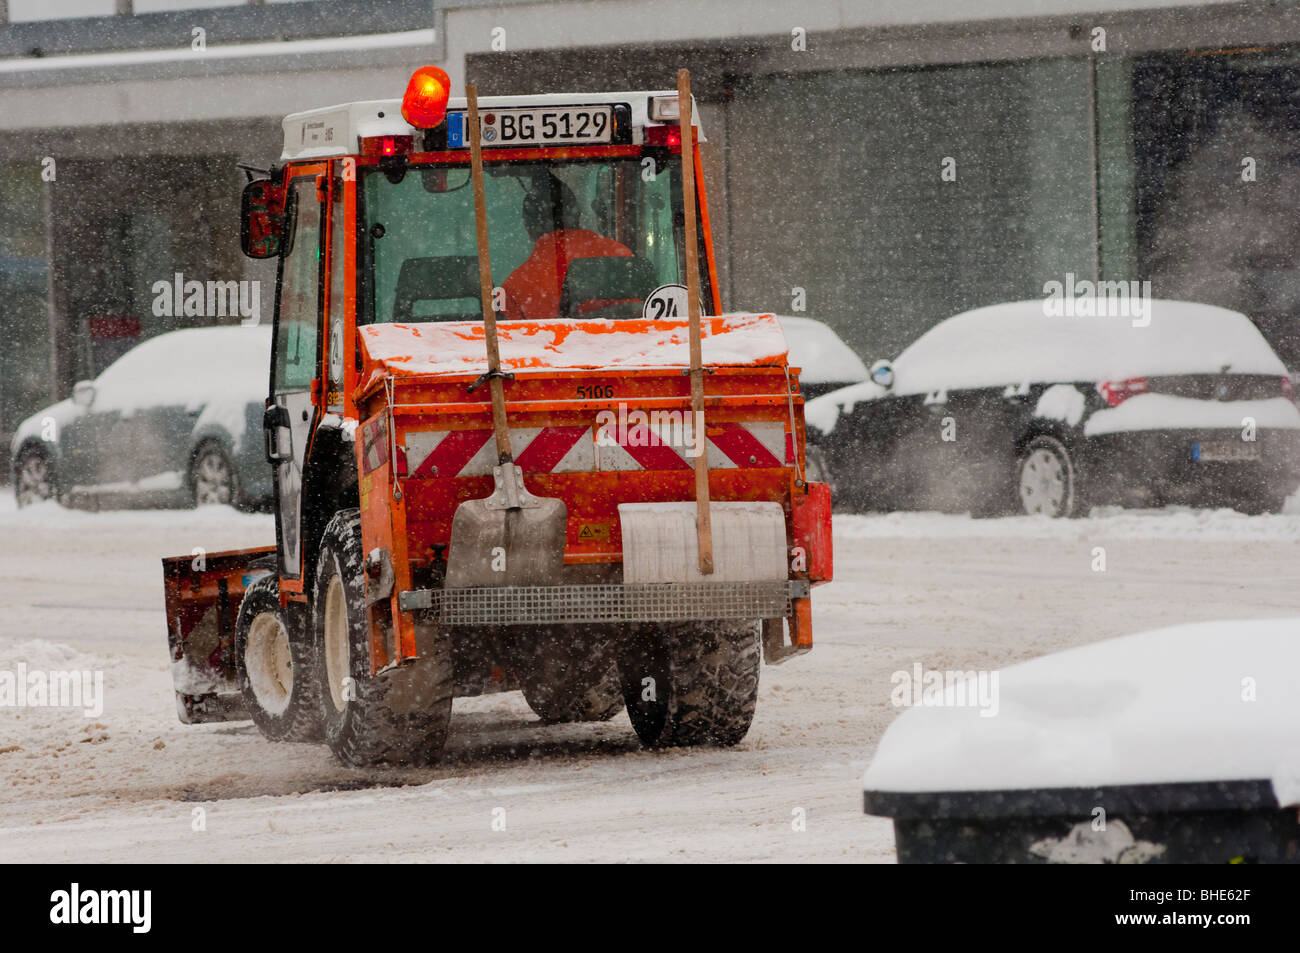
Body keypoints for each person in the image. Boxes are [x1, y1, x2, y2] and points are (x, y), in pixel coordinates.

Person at [501, 173, 634, 319]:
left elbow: (509, 338)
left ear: (528, 227)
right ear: (577, 217)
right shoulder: (621, 256)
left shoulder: (514, 287)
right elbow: (643, 317)